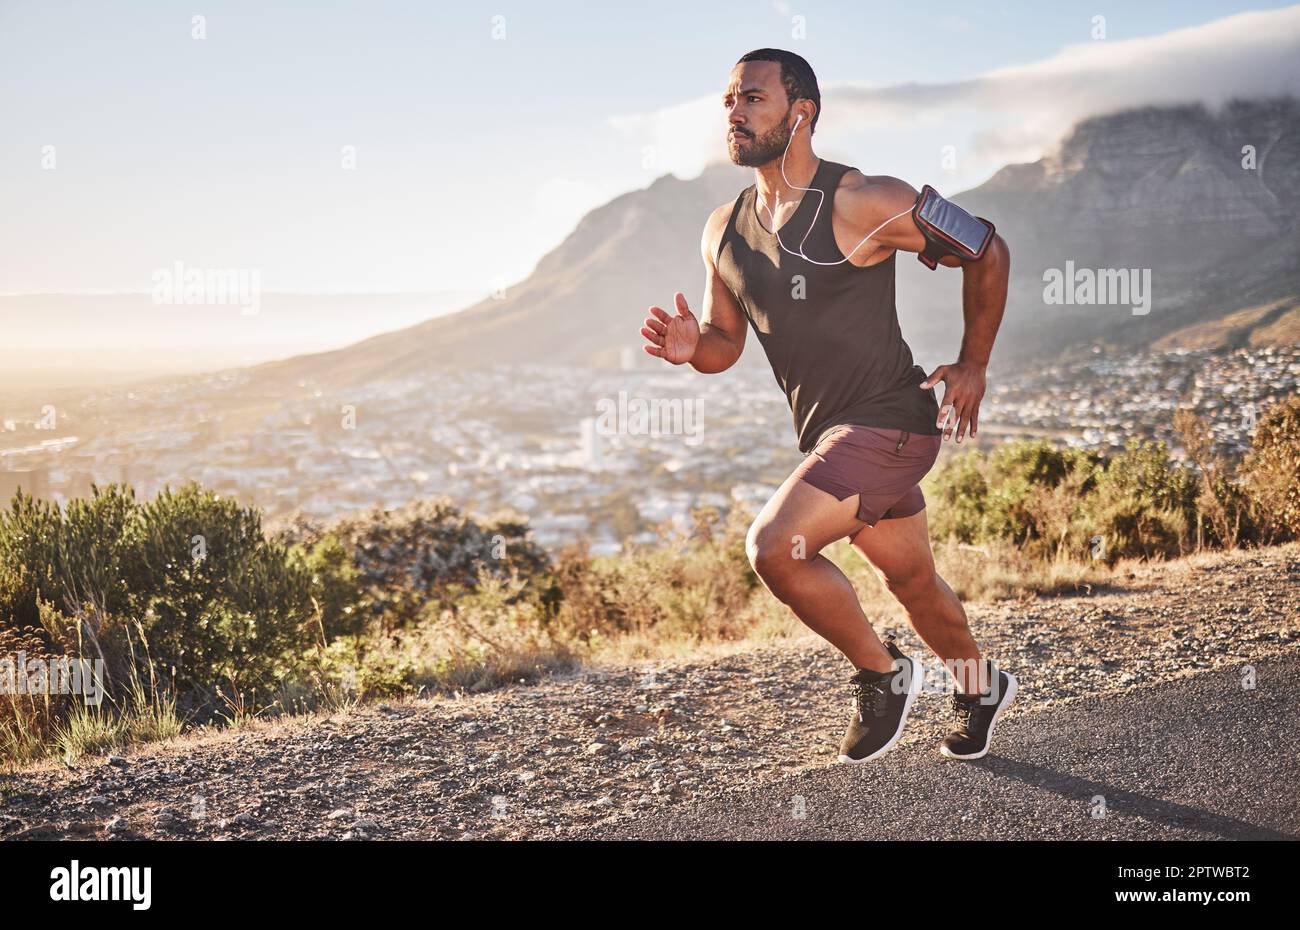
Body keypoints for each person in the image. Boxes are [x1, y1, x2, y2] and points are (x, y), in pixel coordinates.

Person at [639, 49, 1016, 763]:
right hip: (834, 436)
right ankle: (980, 686)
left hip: (891, 422)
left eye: (753, 98)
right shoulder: (723, 228)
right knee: (913, 581)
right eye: (728, 100)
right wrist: (693, 348)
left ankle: (882, 674)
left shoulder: (864, 201)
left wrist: (974, 363)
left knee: (775, 549)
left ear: (801, 112)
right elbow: (725, 343)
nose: (734, 112)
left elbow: (987, 250)